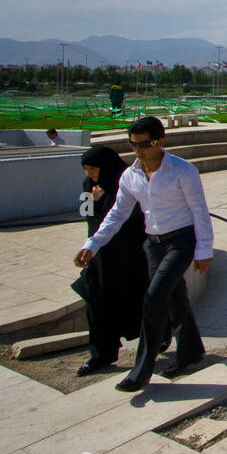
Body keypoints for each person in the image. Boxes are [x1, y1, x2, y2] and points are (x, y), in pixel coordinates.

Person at [72, 116, 210, 392]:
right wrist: (92, 244)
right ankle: (192, 351)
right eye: (133, 145)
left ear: (161, 141)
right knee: (175, 297)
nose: (139, 151)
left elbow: (199, 210)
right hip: (154, 243)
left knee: (153, 299)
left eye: (145, 144)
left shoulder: (182, 171)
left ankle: (141, 372)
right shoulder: (130, 175)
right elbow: (117, 214)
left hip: (181, 241)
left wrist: (204, 248)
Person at [71, 146, 152, 376]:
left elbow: (131, 216)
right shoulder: (88, 185)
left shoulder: (127, 181)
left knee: (136, 298)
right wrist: (95, 200)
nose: (90, 174)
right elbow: (85, 212)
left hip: (127, 254)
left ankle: (158, 336)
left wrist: (104, 199)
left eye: (93, 169)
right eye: (86, 169)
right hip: (99, 255)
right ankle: (101, 353)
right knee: (94, 299)